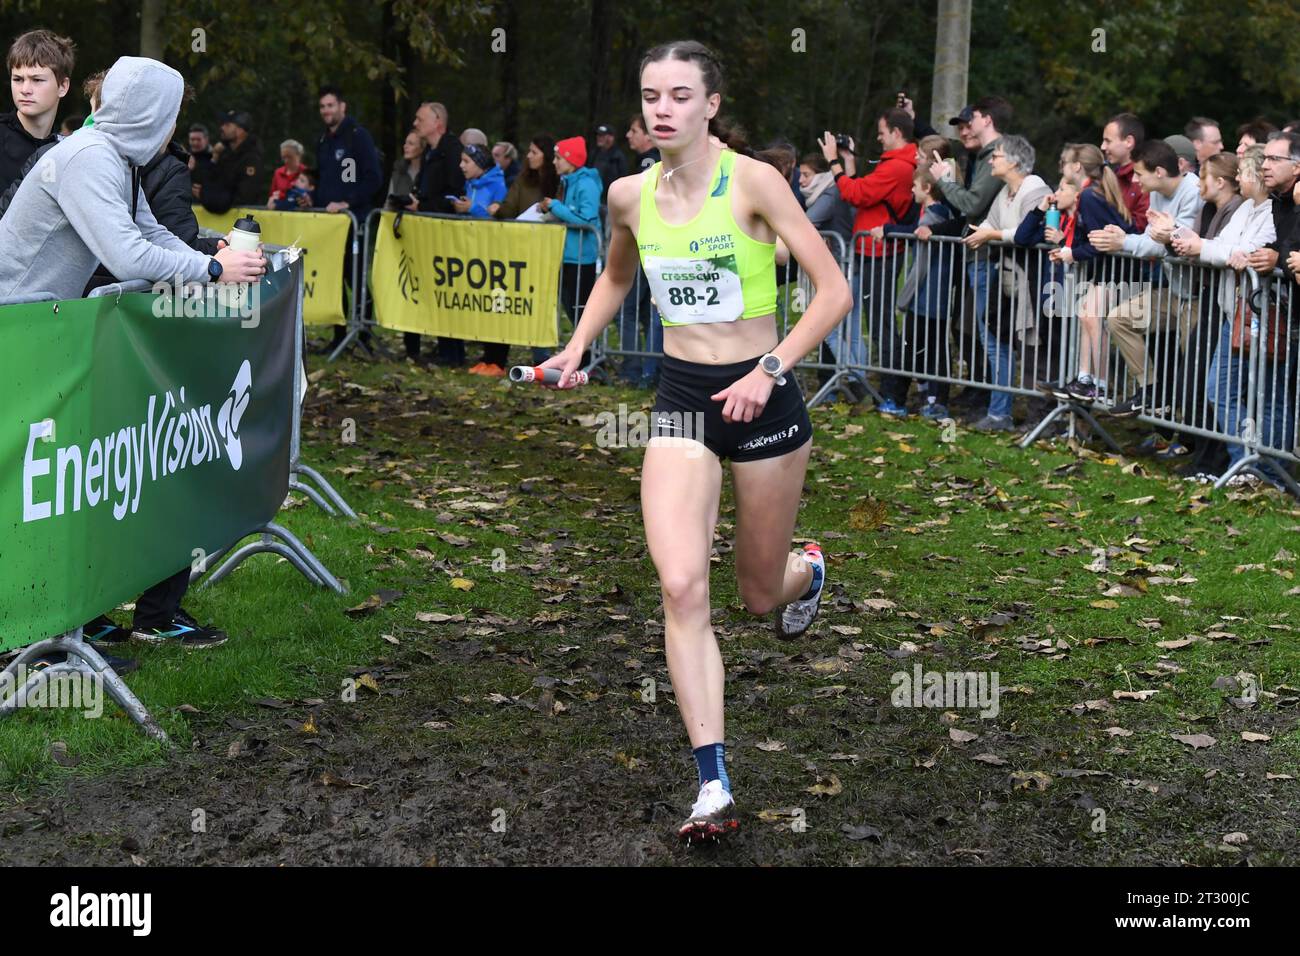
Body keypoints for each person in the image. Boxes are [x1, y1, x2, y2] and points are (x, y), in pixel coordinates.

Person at [539, 39, 850, 844]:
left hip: (764, 395)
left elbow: (834, 290)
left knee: (754, 592)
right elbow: (616, 276)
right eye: (650, 95)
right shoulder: (627, 196)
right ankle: (712, 783)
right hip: (681, 398)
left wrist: (771, 366)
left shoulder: (752, 181)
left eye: (680, 94)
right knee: (681, 586)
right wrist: (579, 346)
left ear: (711, 104)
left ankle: (805, 571)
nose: (662, 109)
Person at [0, 56, 265, 652]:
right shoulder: (89, 159)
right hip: (14, 332)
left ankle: (63, 617)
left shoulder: (115, 157)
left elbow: (152, 235)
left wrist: (209, 262)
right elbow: (126, 256)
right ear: (153, 116)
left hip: (41, 332)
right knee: (29, 486)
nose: (174, 130)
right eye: (172, 116)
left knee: (52, 484)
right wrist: (216, 267)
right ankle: (28, 637)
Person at [1178, 146, 1274, 479]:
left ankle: (1255, 469)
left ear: (1259, 177)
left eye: (1245, 173)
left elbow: (1244, 251)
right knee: (1219, 390)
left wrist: (1208, 248)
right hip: (1232, 315)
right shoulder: (1247, 207)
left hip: (1261, 318)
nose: (1239, 178)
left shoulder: (1274, 212)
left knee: (1258, 396)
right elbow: (1223, 245)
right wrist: (1206, 246)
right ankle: (1242, 464)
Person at [1089, 138, 1204, 411]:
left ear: (1159, 172)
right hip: (1173, 291)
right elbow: (1153, 238)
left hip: (1198, 296)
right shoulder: (1156, 191)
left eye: (1139, 174)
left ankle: (1195, 435)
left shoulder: (1192, 192)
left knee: (1193, 366)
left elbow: (1172, 243)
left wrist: (1124, 243)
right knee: (1119, 319)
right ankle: (1149, 390)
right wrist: (1125, 238)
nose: (1136, 181)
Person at [1021, 143, 1133, 403]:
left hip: (1118, 271)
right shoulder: (1089, 194)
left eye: (1065, 162)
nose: (1062, 167)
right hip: (1106, 269)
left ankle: (1101, 385)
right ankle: (1084, 380)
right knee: (1086, 316)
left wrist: (1072, 253)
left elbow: (1099, 240)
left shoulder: (1090, 197)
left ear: (1077, 167)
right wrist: (1066, 249)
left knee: (1092, 318)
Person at [825, 107, 918, 412]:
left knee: (881, 325)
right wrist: (850, 163)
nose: (878, 138)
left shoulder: (897, 168)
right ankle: (889, 392)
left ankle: (893, 395)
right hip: (873, 252)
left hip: (881, 255)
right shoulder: (895, 165)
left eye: (881, 132)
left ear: (897, 132)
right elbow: (866, 192)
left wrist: (834, 163)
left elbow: (858, 195)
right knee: (879, 323)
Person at [959, 134, 1052, 431]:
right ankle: (1001, 413)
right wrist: (980, 232)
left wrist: (989, 236)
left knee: (1033, 348)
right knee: (999, 340)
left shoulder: (1035, 188)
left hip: (1034, 281)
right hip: (1009, 277)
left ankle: (1040, 418)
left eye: (996, 155)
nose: (990, 160)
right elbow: (994, 222)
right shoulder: (1006, 191)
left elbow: (1026, 234)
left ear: (1013, 161)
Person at [871, 162, 956, 418]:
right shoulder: (933, 214)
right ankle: (930, 398)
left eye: (914, 186)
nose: (911, 190)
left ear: (928, 188)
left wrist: (886, 230)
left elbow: (919, 256)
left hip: (927, 296)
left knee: (916, 348)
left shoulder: (934, 216)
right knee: (928, 348)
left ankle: (905, 399)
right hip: (929, 296)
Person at [470, 137, 559, 375]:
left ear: (546, 156)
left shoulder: (558, 180)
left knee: (537, 303)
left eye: (533, 151)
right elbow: (509, 206)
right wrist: (499, 208)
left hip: (543, 250)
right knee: (502, 301)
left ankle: (541, 359)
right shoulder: (522, 178)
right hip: (516, 249)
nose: (528, 156)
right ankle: (494, 358)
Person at [315, 85, 382, 352]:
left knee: (354, 276)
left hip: (354, 221)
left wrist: (349, 202)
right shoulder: (323, 140)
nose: (326, 111)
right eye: (322, 107)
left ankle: (364, 334)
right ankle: (339, 333)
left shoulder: (358, 136)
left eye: (331, 105)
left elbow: (373, 178)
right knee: (333, 277)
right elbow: (325, 180)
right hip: (330, 225)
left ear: (342, 107)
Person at [534, 136, 602, 367]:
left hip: (583, 257)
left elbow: (587, 219)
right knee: (570, 307)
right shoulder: (569, 181)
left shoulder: (586, 184)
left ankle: (591, 358)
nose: (554, 162)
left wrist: (555, 206)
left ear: (571, 160)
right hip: (567, 255)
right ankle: (580, 355)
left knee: (582, 310)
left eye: (558, 157)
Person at [410, 101, 466, 364]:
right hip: (431, 229)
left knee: (448, 289)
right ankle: (444, 346)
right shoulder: (431, 153)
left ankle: (453, 351)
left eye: (420, 119)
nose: (415, 123)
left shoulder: (452, 152)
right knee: (436, 289)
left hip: (448, 231)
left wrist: (424, 205)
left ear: (437, 123)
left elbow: (456, 194)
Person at [0, 30, 73, 194]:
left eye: (37, 80)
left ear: (63, 86)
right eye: (18, 79)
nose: (25, 90)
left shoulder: (65, 150)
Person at [196, 109, 263, 213]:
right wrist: (215, 158)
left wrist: (207, 196)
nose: (222, 128)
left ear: (240, 130)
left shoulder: (252, 159)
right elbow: (208, 181)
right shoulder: (224, 154)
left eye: (227, 125)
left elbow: (244, 197)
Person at [1101, 112, 1150, 231]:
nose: (1103, 147)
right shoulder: (1112, 177)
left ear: (1128, 142)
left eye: (1108, 141)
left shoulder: (1147, 178)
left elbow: (1140, 227)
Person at [590, 122, 628, 205]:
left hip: (610, 201)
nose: (599, 138)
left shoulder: (618, 157)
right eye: (598, 135)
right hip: (594, 199)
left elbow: (623, 180)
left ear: (611, 138)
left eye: (602, 136)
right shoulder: (594, 154)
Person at [387, 129, 424, 208]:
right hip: (398, 218)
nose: (405, 146)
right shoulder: (398, 171)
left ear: (422, 148)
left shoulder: (428, 173)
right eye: (405, 143)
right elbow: (388, 202)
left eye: (411, 144)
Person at [267, 139, 307, 207]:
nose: (286, 161)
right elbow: (272, 195)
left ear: (299, 155)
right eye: (283, 157)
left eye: (289, 157)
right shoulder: (278, 173)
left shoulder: (306, 173)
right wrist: (271, 200)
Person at [187, 122, 214, 191]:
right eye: (192, 139)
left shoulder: (214, 157)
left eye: (199, 140)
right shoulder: (184, 157)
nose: (195, 143)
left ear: (206, 140)